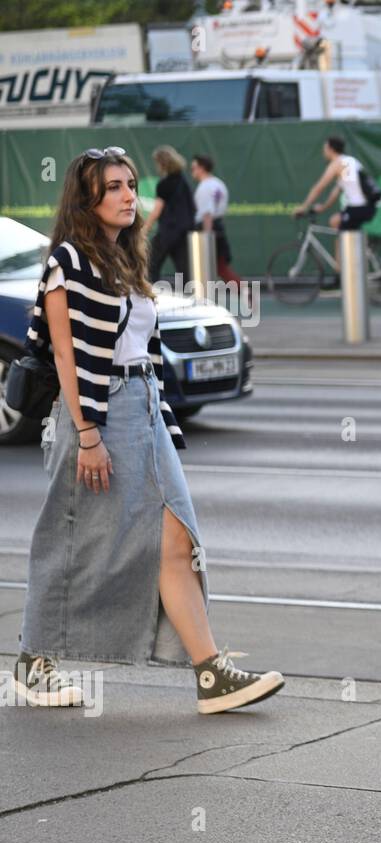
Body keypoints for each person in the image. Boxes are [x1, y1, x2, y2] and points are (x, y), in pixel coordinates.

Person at [15, 147, 284, 714]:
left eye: (130, 184)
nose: (127, 195)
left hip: (145, 404)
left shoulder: (124, 259)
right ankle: (33, 662)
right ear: (86, 199)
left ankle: (211, 675)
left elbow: (142, 347)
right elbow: (67, 355)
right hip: (98, 410)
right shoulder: (68, 260)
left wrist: (157, 412)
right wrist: (88, 434)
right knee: (75, 538)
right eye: (112, 187)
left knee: (178, 541)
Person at [294, 136, 376, 233]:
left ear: (331, 149)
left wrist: (304, 206)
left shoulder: (337, 164)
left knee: (344, 237)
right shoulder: (350, 161)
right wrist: (323, 207)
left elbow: (319, 187)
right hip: (368, 207)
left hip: (358, 208)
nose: (323, 152)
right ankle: (360, 247)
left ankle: (351, 247)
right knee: (335, 222)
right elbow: (335, 192)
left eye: (325, 149)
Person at [143, 145, 195, 284]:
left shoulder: (164, 184)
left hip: (168, 231)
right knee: (184, 270)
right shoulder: (183, 181)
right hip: (184, 231)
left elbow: (157, 210)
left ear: (162, 163)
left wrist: (144, 230)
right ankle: (188, 299)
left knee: (150, 264)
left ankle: (150, 294)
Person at [190, 154, 242, 286]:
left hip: (208, 229)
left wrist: (207, 236)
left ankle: (246, 293)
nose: (192, 171)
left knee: (214, 268)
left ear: (202, 168)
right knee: (219, 267)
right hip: (217, 227)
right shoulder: (219, 184)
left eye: (194, 168)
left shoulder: (205, 187)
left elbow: (207, 214)